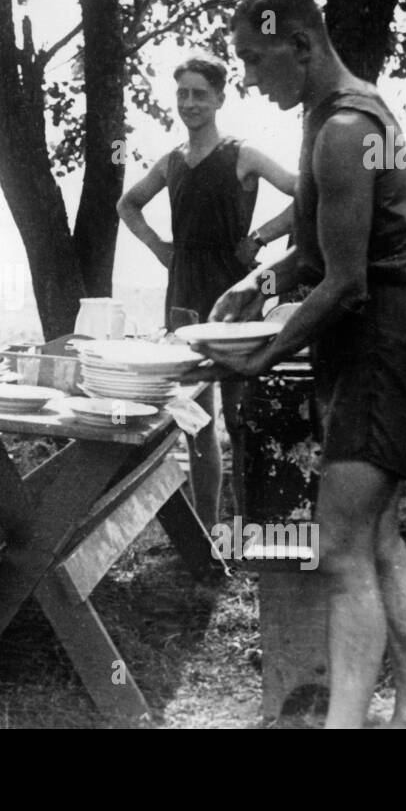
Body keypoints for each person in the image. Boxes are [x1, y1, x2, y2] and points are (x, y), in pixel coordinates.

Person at [200, 0, 406, 728]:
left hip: (379, 346)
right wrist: (263, 279)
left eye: (252, 58)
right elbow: (326, 248)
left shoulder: (342, 129)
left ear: (300, 45)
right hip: (386, 341)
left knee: (339, 552)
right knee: (377, 537)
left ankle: (342, 724)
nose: (244, 77)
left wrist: (263, 353)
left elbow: (343, 283)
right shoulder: (341, 113)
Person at [117, 52, 296, 528]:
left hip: (235, 293)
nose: (190, 103)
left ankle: (249, 528)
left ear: (219, 98)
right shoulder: (172, 161)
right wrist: (160, 249)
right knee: (197, 422)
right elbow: (127, 204)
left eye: (199, 94)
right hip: (184, 296)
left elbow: (308, 195)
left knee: (240, 421)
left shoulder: (242, 155)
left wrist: (260, 237)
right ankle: (208, 534)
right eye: (182, 94)